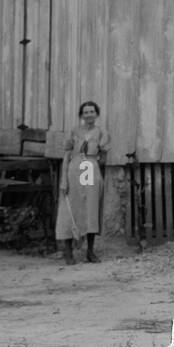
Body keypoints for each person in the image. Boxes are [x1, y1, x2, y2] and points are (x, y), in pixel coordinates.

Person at [57, 101, 109, 264]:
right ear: (81, 115)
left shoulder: (101, 133)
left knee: (91, 210)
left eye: (92, 111)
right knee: (70, 208)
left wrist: (98, 172)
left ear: (96, 114)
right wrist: (63, 180)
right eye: (85, 112)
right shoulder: (73, 131)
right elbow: (66, 156)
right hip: (74, 171)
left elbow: (104, 157)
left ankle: (90, 251)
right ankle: (68, 251)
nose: (89, 115)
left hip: (92, 172)